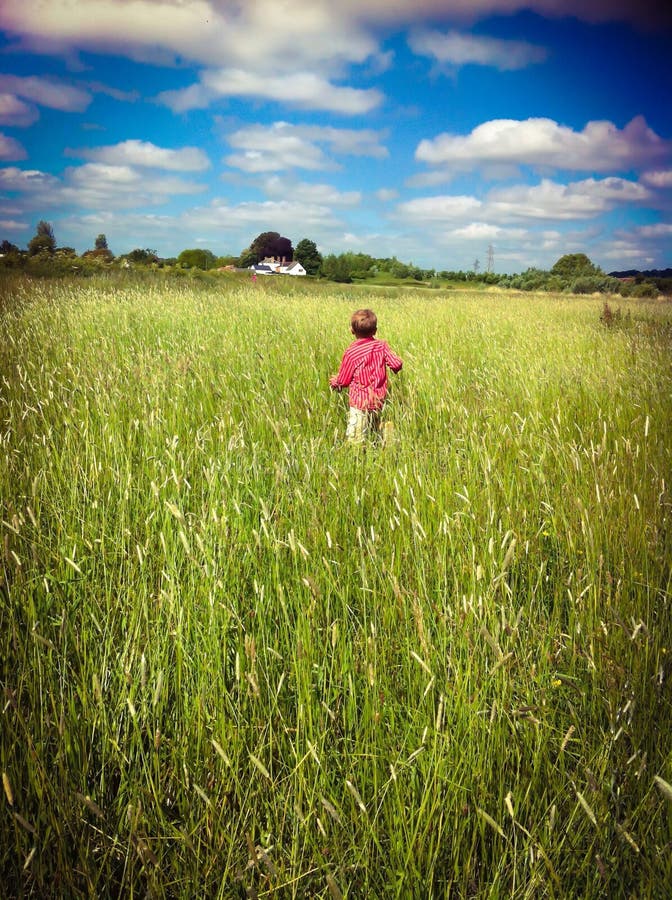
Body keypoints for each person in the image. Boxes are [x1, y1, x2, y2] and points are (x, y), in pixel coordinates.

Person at [330, 308, 403, 443]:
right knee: (374, 430)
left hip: (360, 403)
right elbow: (397, 365)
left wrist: (335, 382)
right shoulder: (382, 346)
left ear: (352, 331)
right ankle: (386, 443)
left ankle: (358, 457)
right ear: (375, 331)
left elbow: (344, 380)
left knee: (356, 438)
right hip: (378, 400)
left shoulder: (352, 352)